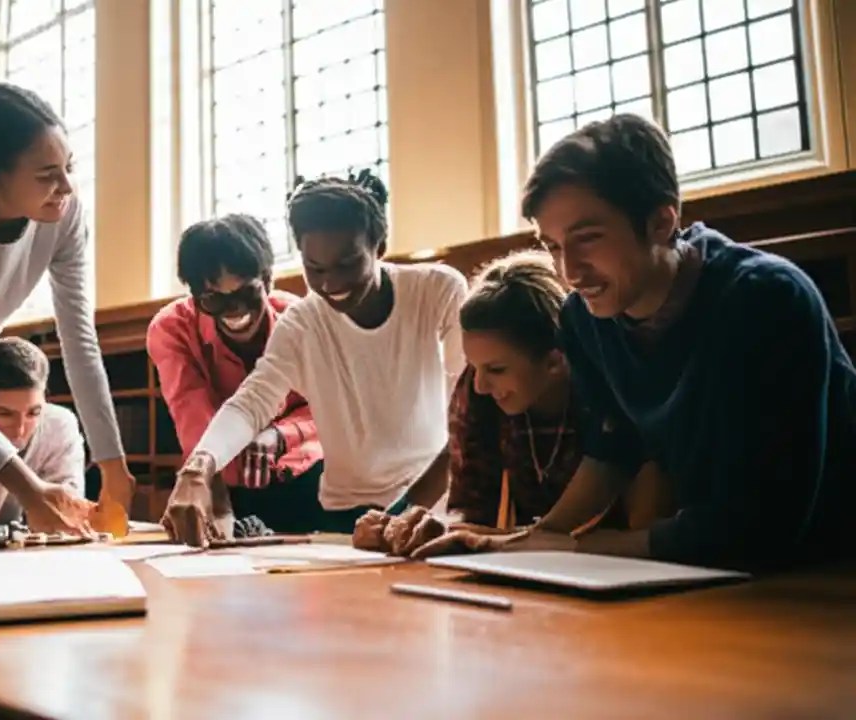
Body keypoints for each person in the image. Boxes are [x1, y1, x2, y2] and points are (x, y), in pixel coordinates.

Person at [416, 114, 856, 571]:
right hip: (713, 572)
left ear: (661, 222)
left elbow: (755, 529)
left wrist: (569, 549)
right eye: (553, 246)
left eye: (587, 239)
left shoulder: (766, 298)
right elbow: (611, 453)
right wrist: (523, 544)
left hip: (825, 572)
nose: (570, 272)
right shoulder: (583, 319)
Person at [163, 170, 468, 546]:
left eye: (347, 264)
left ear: (380, 244)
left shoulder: (437, 291)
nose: (331, 284)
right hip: (343, 518)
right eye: (315, 269)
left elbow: (468, 413)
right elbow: (251, 403)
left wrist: (405, 511)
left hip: (430, 503)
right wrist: (197, 470)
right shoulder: (301, 323)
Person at [353, 251, 655, 556]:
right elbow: (471, 507)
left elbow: (641, 529)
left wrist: (491, 537)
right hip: (533, 564)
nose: (480, 386)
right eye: (474, 367)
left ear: (555, 361)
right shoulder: (477, 392)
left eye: (496, 370)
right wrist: (416, 527)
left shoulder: (606, 392)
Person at [0, 83, 135, 535]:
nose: (66, 186)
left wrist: (112, 463)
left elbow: (80, 340)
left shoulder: (64, 214)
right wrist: (29, 489)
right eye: (48, 174)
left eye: (69, 167)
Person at [147, 214, 323, 533]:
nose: (233, 310)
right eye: (214, 299)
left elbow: (328, 408)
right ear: (194, 295)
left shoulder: (299, 320)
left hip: (303, 475)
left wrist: (282, 435)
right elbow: (192, 415)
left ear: (268, 281)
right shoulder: (172, 329)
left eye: (245, 294)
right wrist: (216, 505)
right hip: (224, 481)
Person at [0, 337, 87, 523]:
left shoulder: (58, 425)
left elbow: (66, 509)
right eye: (4, 415)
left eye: (33, 413)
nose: (20, 430)